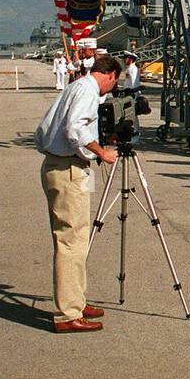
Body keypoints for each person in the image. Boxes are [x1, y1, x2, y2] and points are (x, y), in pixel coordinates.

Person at [34, 54, 122, 333]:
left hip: (64, 165)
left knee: (78, 238)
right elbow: (76, 129)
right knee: (70, 241)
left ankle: (76, 300)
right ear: (110, 76)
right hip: (67, 167)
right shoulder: (87, 90)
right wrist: (101, 152)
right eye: (114, 83)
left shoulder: (76, 86)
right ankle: (68, 314)